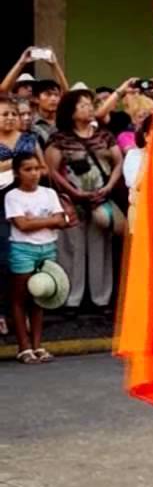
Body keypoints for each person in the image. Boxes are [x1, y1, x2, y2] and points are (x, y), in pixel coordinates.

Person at [44, 88, 123, 312]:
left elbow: (118, 161)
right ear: (70, 112)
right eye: (83, 105)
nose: (89, 108)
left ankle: (100, 298)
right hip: (72, 200)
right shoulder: (59, 138)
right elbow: (52, 170)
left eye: (90, 104)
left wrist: (108, 187)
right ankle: (71, 299)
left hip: (101, 197)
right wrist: (73, 192)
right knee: (72, 248)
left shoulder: (105, 135)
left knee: (101, 248)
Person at [7, 151, 73, 364]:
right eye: (28, 170)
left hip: (47, 248)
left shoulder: (48, 193)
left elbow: (63, 221)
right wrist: (50, 220)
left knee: (41, 295)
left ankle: (37, 345)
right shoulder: (13, 196)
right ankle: (23, 346)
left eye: (37, 169)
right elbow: (22, 226)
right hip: (23, 249)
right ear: (17, 173)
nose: (34, 174)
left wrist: (37, 221)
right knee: (20, 297)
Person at [0, 94, 45, 182]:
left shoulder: (30, 139)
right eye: (5, 114)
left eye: (14, 114)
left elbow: (43, 167)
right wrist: (24, 164)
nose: (10, 117)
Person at [1, 47, 68, 96]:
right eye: (25, 87)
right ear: (16, 90)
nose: (30, 89)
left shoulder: (39, 104)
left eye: (32, 86)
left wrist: (54, 64)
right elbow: (2, 91)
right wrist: (21, 62)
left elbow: (66, 94)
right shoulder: (11, 104)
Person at [29, 80, 61, 147]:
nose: (53, 98)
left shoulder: (65, 121)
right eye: (48, 94)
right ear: (36, 99)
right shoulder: (30, 123)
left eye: (56, 95)